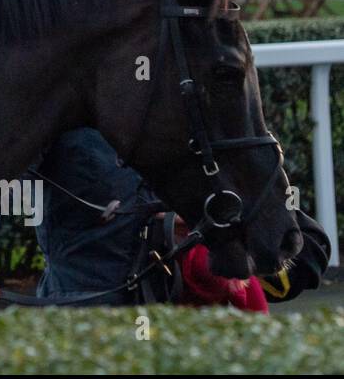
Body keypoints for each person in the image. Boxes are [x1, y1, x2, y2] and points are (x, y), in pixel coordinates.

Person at [35, 128, 331, 310]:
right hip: (80, 322)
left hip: (184, 338)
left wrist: (214, 234)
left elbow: (308, 254)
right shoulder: (55, 105)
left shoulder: (192, 111)